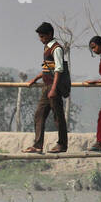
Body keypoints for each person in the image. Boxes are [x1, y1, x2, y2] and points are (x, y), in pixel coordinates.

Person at [23, 22, 68, 153]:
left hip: (53, 87)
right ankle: (37, 145)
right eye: (40, 37)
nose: (41, 39)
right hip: (46, 86)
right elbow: (48, 68)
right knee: (39, 114)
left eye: (43, 36)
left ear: (50, 34)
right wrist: (36, 79)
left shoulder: (56, 48)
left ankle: (62, 144)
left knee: (58, 116)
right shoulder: (47, 48)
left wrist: (54, 89)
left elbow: (59, 69)